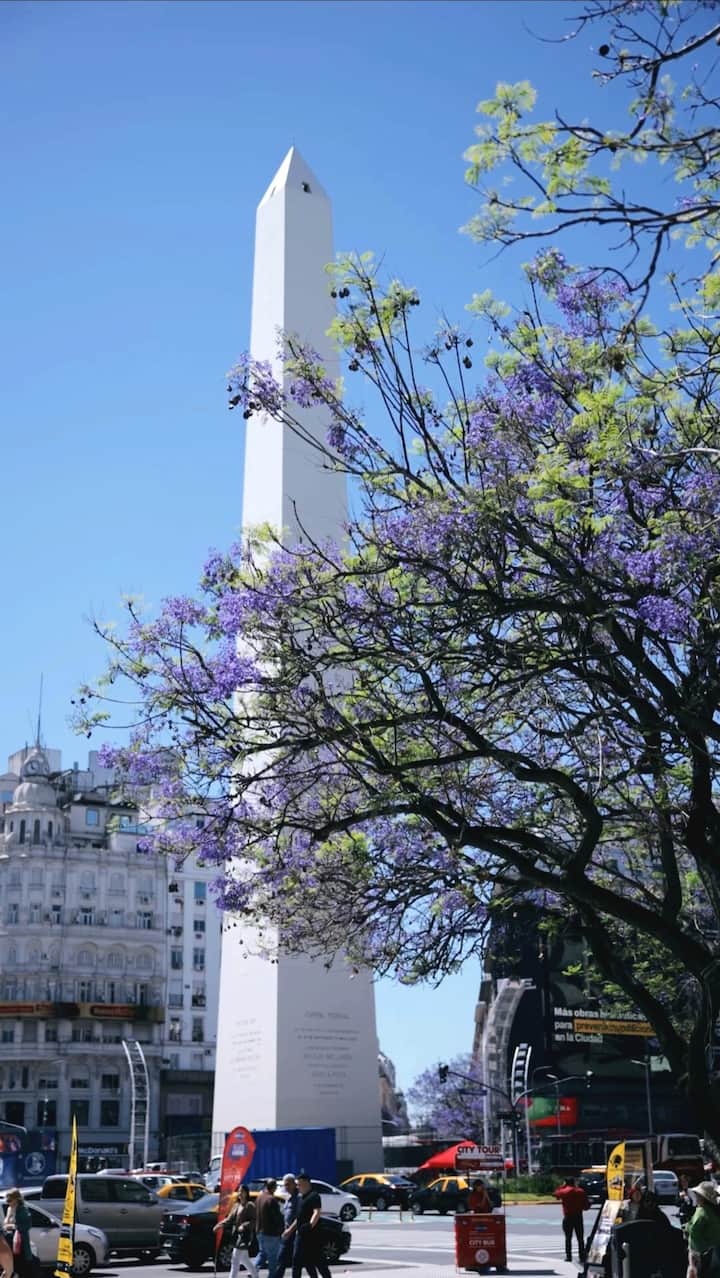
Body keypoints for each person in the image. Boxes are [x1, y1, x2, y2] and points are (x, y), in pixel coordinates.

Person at [289, 1171, 331, 1278]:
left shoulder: (314, 1196)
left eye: (299, 1184)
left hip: (312, 1235)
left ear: (306, 1183)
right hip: (301, 1235)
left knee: (318, 1262)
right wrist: (289, 1230)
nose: (297, 1187)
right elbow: (298, 1218)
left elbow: (316, 1212)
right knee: (297, 1261)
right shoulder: (301, 1198)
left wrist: (310, 1226)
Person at [214, 1184, 259, 1278]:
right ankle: (256, 1276)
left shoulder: (250, 1205)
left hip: (244, 1236)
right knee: (245, 1260)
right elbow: (229, 1219)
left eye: (242, 1191)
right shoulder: (236, 1205)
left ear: (246, 1193)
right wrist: (219, 1225)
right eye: (239, 1191)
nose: (240, 1193)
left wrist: (244, 1225)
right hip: (236, 1236)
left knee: (235, 1261)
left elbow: (254, 1220)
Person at [687, 1182, 720, 1278]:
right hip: (716, 1253)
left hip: (705, 1255)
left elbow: (694, 1235)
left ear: (702, 1197)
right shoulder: (715, 1211)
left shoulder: (701, 1212)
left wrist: (693, 1260)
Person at [554, 1176, 590, 1263]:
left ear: (566, 1183)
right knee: (580, 1238)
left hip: (568, 1217)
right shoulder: (580, 1191)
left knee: (568, 1238)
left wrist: (562, 1186)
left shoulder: (564, 1191)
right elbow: (586, 1206)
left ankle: (568, 1256)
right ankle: (582, 1256)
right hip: (578, 1216)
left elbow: (556, 1194)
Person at [255, 1180, 284, 1278]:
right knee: (273, 1258)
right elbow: (277, 1217)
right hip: (270, 1233)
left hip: (259, 1231)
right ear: (274, 1187)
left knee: (262, 1253)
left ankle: (253, 1271)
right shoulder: (271, 1200)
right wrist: (281, 1228)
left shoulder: (259, 1198)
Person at [3, 1189, 33, 1278]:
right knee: (13, 1266)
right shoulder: (9, 1209)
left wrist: (13, 1227)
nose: (8, 1202)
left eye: (9, 1200)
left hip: (20, 1242)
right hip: (10, 1240)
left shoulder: (23, 1209)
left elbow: (27, 1225)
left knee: (21, 1266)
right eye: (7, 1200)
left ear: (16, 1199)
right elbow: (6, 1222)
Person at [277, 1175, 300, 1278]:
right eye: (284, 1185)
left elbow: (299, 1218)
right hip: (287, 1235)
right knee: (281, 1259)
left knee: (297, 1262)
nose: (286, 1187)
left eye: (287, 1184)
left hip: (295, 1234)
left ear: (294, 1184)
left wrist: (290, 1230)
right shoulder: (288, 1198)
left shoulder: (298, 1198)